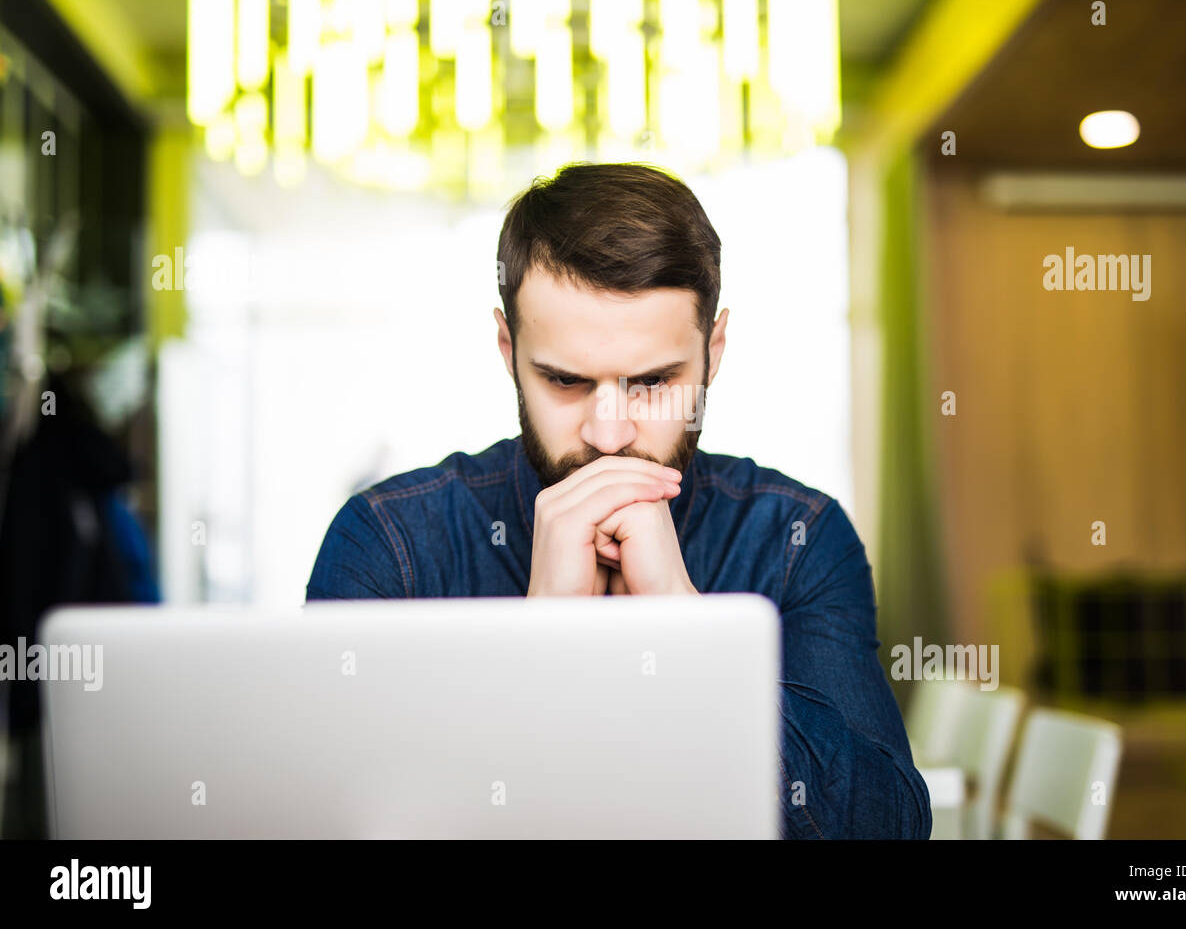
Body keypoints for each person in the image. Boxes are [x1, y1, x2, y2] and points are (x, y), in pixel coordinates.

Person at [307, 161, 932, 839]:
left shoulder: (796, 539)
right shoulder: (387, 543)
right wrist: (536, 647)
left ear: (712, 352)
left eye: (654, 381)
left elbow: (886, 829)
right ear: (507, 349)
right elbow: (324, 823)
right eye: (566, 381)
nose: (609, 434)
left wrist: (692, 635)